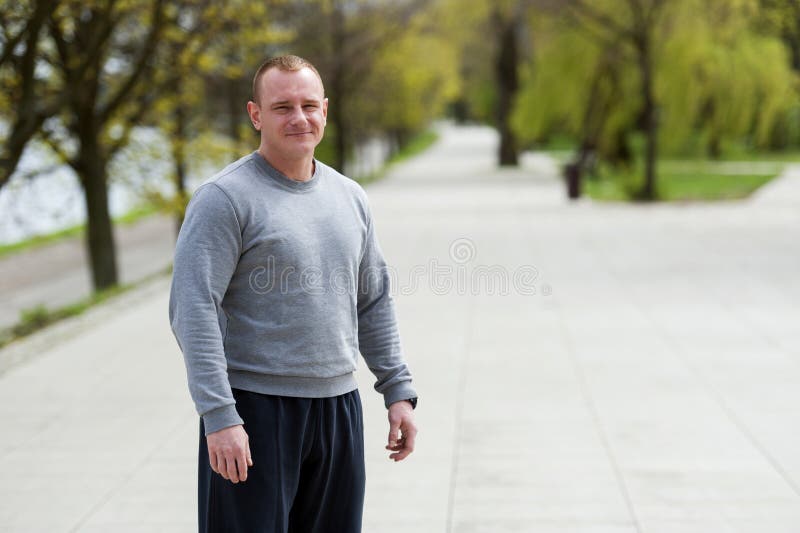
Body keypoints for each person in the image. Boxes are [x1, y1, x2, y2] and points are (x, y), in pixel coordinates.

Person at [169, 55, 418, 533]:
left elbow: (373, 300)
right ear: (255, 114)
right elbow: (193, 309)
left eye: (308, 105)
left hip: (338, 407)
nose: (299, 118)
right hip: (255, 411)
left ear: (325, 109)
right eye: (282, 107)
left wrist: (397, 390)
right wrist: (219, 416)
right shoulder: (223, 199)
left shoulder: (350, 196)